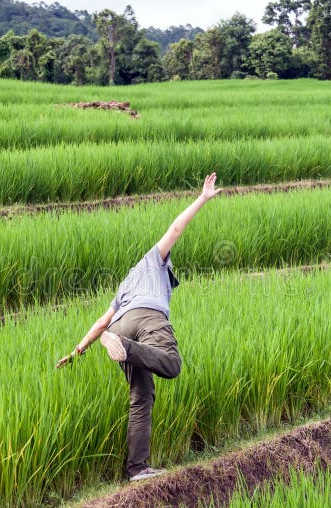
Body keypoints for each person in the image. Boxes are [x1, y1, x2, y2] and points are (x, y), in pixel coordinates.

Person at [72, 172, 222, 482]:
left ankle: (137, 469)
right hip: (146, 319)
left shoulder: (125, 284)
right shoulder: (155, 260)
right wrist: (202, 198)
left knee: (142, 396)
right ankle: (126, 349)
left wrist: (78, 349)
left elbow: (103, 322)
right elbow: (176, 228)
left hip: (119, 324)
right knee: (172, 363)